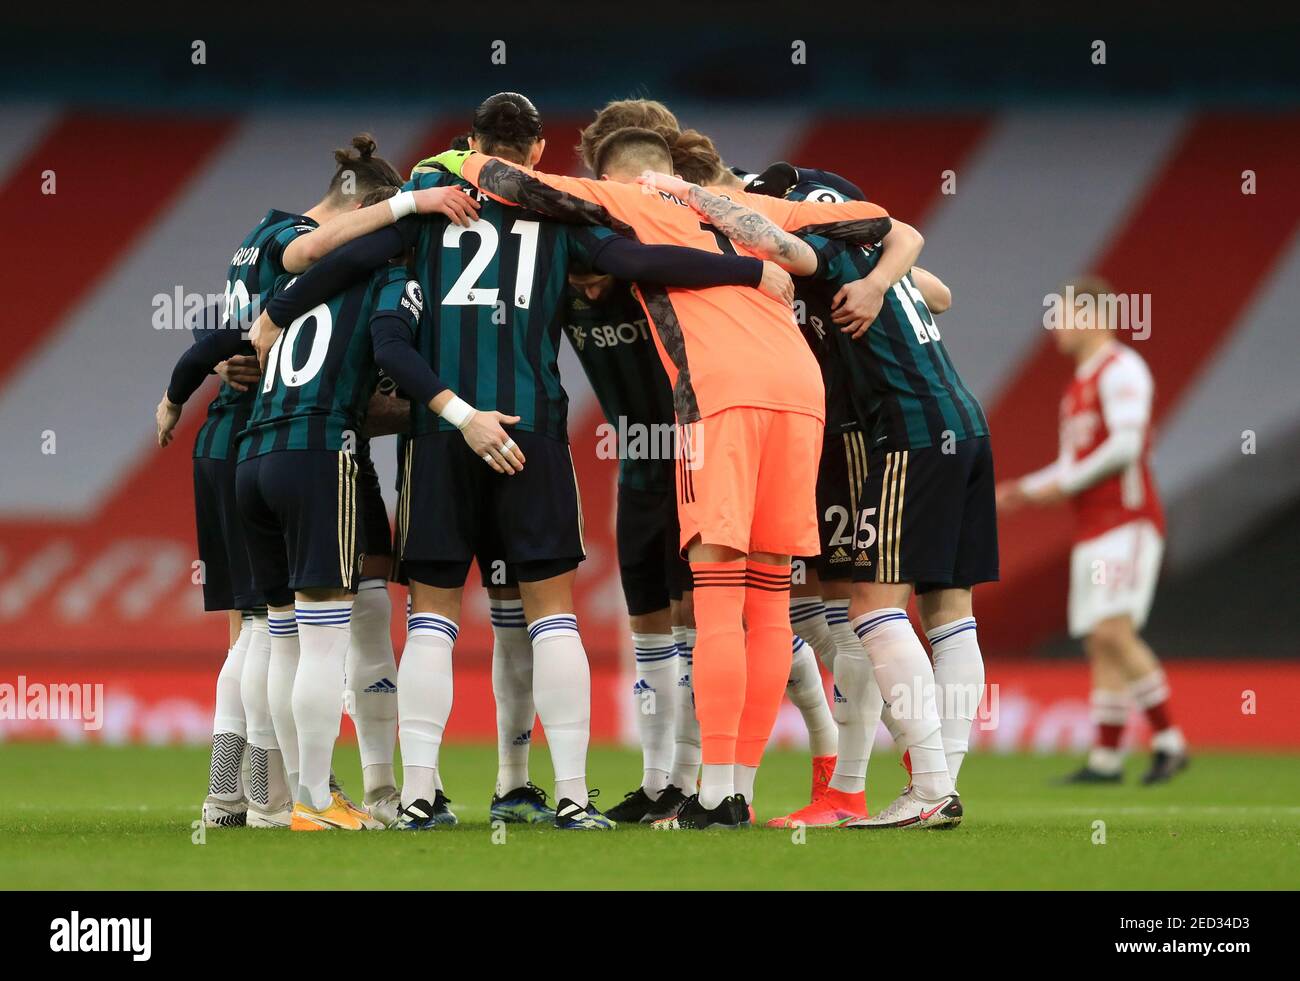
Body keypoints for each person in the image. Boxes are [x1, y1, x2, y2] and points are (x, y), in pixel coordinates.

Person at [250, 93, 795, 830]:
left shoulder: (428, 206)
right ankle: (572, 794)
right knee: (552, 616)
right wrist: (744, 273)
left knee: (433, 617)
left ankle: (417, 794)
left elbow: (342, 260)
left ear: (470, 142)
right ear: (539, 152)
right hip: (532, 431)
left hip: (441, 432)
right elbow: (639, 258)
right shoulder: (562, 212)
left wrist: (278, 313)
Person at [432, 128, 897, 828]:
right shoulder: (743, 203)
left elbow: (505, 181)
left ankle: (711, 795)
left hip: (721, 397)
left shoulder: (624, 199)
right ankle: (738, 787)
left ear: (619, 173)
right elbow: (874, 221)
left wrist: (454, 159)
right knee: (770, 601)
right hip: (802, 392)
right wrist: (730, 209)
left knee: (715, 598)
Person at [156, 134, 476, 828]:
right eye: (378, 215)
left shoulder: (262, 254)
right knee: (316, 630)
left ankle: (250, 794)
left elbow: (220, 338)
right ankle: (313, 792)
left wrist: (181, 390)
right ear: (360, 202)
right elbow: (320, 266)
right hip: (313, 447)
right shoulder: (300, 244)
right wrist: (413, 207)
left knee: (265, 631)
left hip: (246, 443)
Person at [998, 275, 1186, 785]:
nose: (1055, 324)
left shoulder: (1121, 368)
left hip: (1127, 520)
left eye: (1064, 313)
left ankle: (1170, 741)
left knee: (1112, 631)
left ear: (1096, 317)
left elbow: (1127, 446)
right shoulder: (1078, 385)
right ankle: (1106, 759)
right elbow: (1071, 461)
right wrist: (1024, 489)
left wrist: (1062, 484)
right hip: (1094, 525)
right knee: (1100, 641)